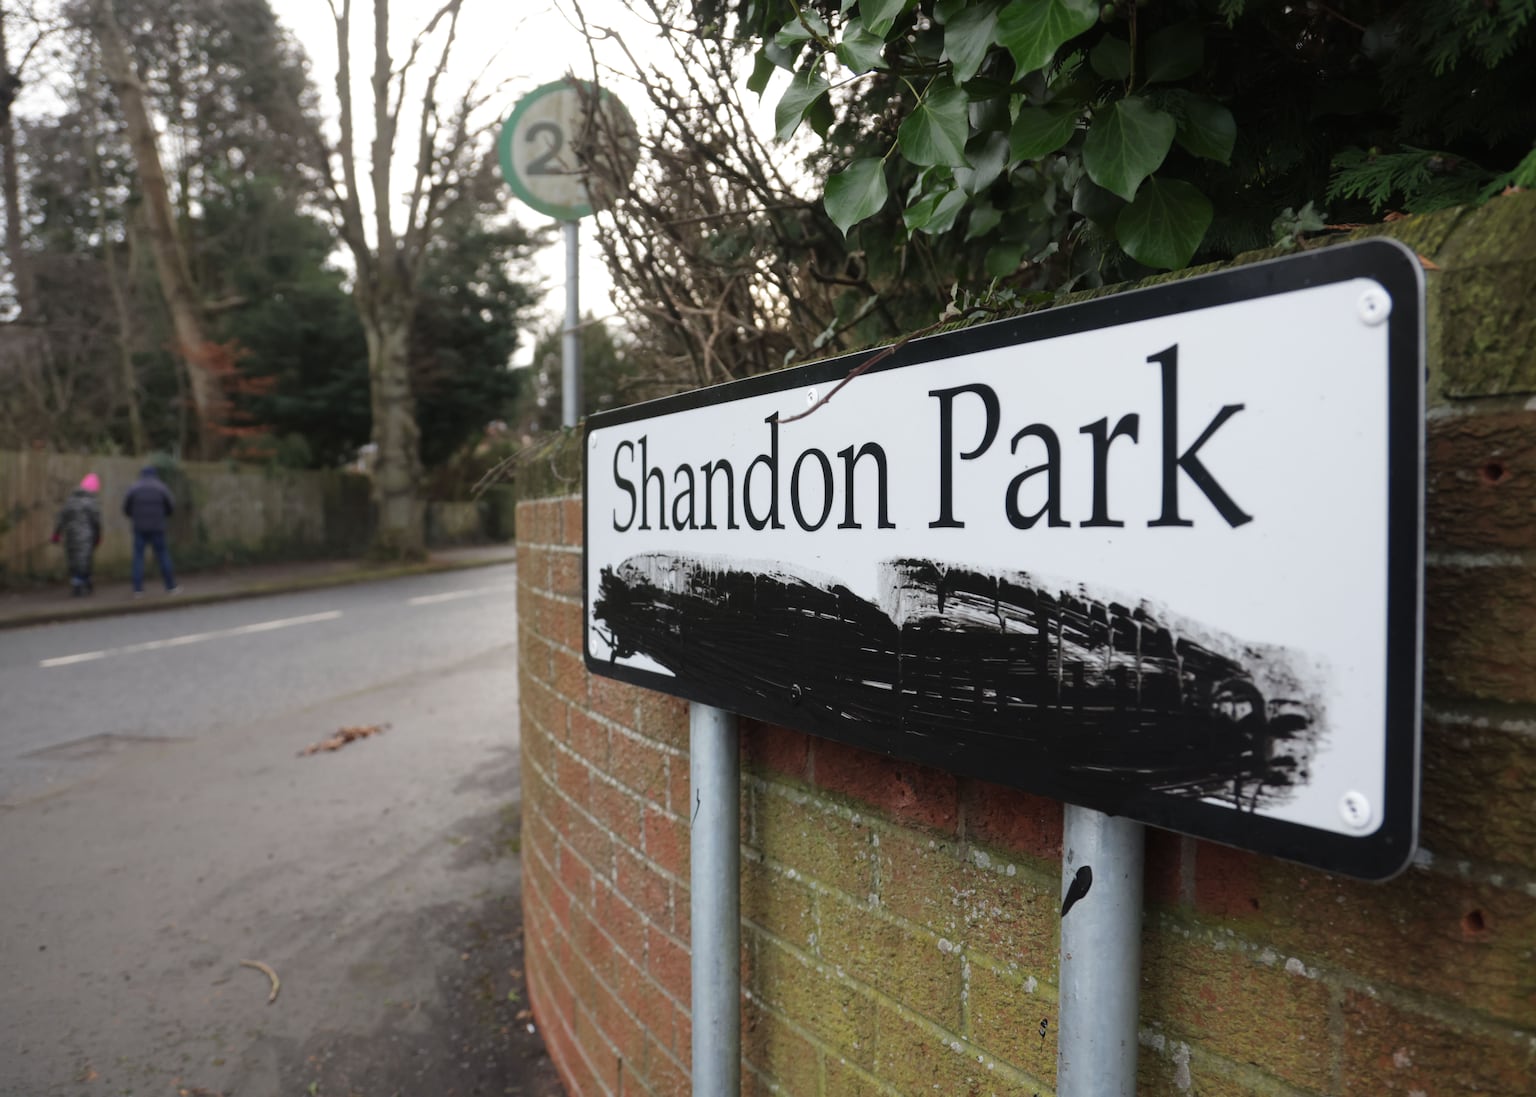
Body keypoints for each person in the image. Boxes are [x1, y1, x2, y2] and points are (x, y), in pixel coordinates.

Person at [123, 465, 179, 596]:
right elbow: (171, 506)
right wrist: (162, 516)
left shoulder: (134, 488)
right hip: (157, 527)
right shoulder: (161, 487)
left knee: (138, 557)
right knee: (163, 555)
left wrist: (134, 516)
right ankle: (170, 586)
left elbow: (126, 507)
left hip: (139, 527)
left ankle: (138, 589)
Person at [52, 473, 103, 597]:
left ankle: (78, 583)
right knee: (85, 560)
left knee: (73, 560)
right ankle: (83, 583)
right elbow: (96, 521)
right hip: (86, 536)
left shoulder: (70, 500)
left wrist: (56, 534)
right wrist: (98, 537)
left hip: (70, 536)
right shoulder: (91, 502)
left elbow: (61, 518)